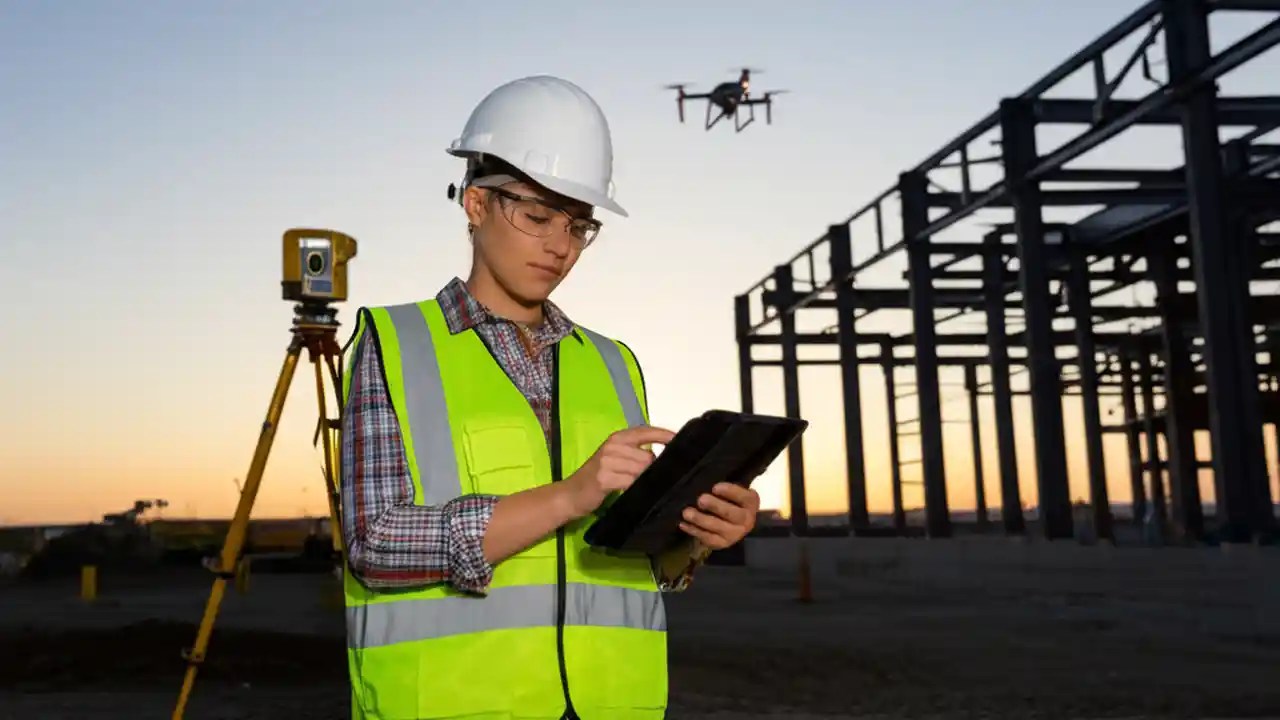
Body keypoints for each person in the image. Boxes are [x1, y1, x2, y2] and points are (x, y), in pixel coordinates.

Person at [338, 75, 763, 720]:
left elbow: (626, 561)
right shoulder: (396, 345)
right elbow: (375, 545)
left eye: (578, 226)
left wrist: (696, 539)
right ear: (475, 204)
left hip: (613, 705)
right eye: (536, 215)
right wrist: (569, 495)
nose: (561, 247)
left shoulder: (614, 363)